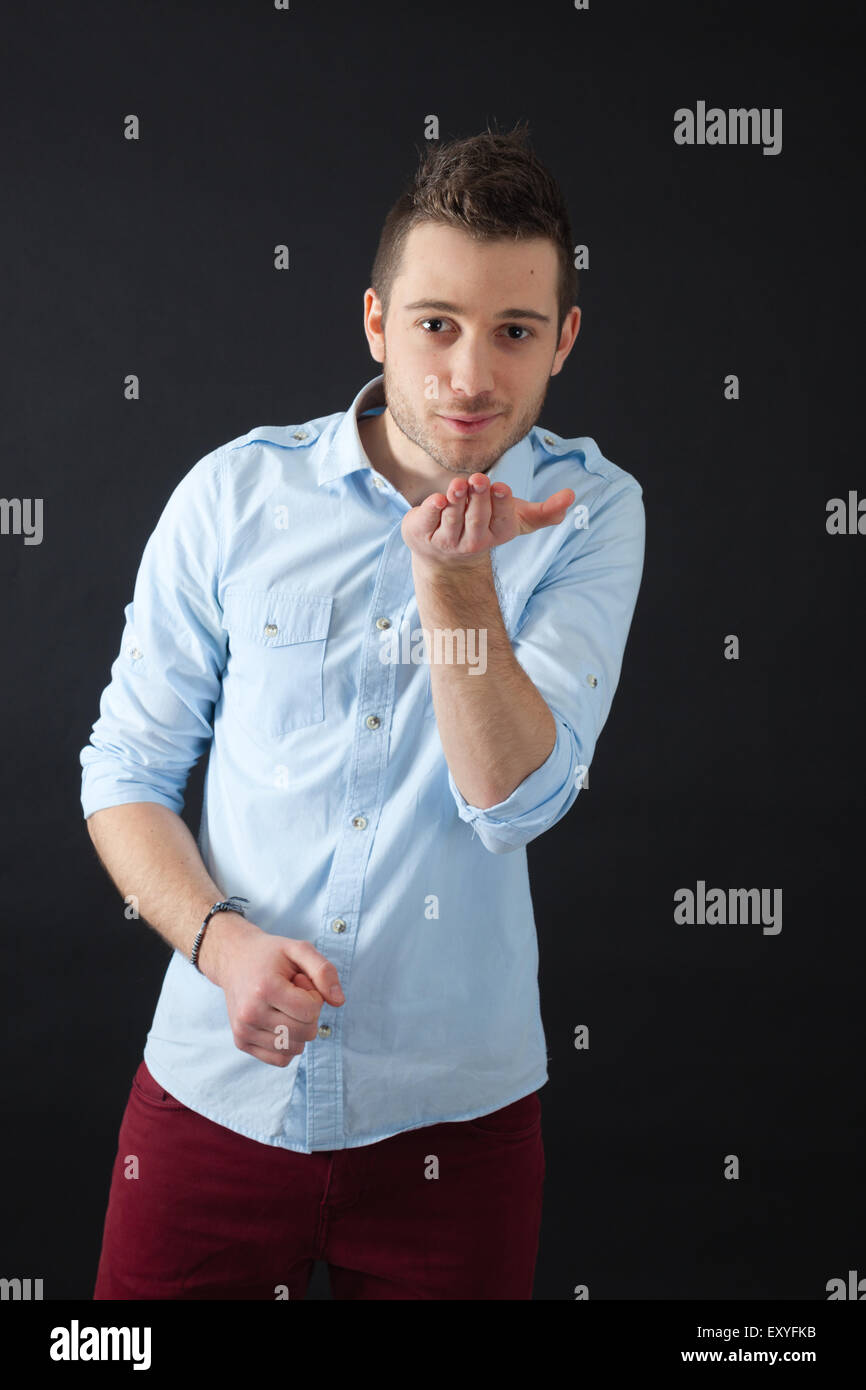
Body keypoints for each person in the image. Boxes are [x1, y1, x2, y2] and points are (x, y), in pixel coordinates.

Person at [80, 125, 646, 1300]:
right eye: (435, 324)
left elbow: (514, 803)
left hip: (457, 1123)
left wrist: (453, 580)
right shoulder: (232, 494)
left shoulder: (589, 514)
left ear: (564, 343)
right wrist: (218, 943)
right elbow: (124, 771)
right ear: (378, 322)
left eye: (513, 331)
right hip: (210, 1099)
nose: (470, 375)